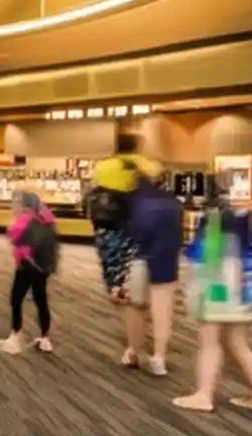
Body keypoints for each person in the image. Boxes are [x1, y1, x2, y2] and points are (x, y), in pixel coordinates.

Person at [173, 197, 252, 415]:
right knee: (238, 344)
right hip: (243, 296)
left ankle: (203, 395)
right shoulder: (243, 244)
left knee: (209, 344)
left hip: (216, 293)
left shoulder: (210, 239)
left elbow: (200, 269)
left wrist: (192, 299)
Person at [91, 133, 162, 371]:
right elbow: (157, 176)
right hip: (131, 225)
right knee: (133, 268)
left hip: (104, 225)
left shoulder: (104, 166)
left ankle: (115, 286)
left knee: (111, 264)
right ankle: (128, 292)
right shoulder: (140, 163)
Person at [125, 154, 182, 377]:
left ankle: (133, 351)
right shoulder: (173, 202)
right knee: (162, 310)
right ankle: (159, 357)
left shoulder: (133, 201)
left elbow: (130, 231)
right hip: (166, 259)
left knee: (135, 307)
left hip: (138, 256)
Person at [0, 191, 58, 355]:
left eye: (16, 202)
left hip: (26, 264)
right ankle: (45, 337)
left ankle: (16, 336)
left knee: (16, 298)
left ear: (24, 205)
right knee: (41, 299)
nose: (13, 206)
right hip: (42, 266)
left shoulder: (25, 219)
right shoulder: (45, 218)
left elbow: (13, 233)